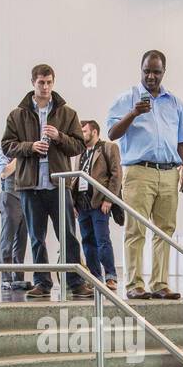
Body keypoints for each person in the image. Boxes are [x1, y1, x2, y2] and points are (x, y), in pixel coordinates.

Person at [106, 50, 183, 300]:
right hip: (138, 171)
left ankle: (160, 283)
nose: (151, 76)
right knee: (135, 229)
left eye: (156, 72)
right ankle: (134, 284)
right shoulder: (128, 98)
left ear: (163, 72)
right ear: (141, 69)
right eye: (147, 71)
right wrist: (133, 113)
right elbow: (112, 134)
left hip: (169, 172)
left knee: (165, 230)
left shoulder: (176, 103)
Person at [1, 64, 91, 301]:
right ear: (33, 82)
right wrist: (30, 147)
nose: (45, 86)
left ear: (54, 82)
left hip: (59, 185)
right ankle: (42, 282)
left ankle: (75, 281)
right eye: (41, 82)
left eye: (49, 82)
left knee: (69, 236)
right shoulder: (17, 114)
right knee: (36, 237)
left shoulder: (67, 113)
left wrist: (59, 137)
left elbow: (79, 146)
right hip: (30, 186)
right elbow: (7, 145)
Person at [72, 119, 122, 290]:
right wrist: (72, 202)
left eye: (84, 131)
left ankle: (110, 276)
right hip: (81, 203)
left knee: (102, 240)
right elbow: (75, 178)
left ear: (94, 132)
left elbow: (116, 175)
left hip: (100, 202)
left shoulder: (108, 148)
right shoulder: (80, 152)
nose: (81, 134)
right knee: (87, 241)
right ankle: (95, 277)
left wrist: (109, 198)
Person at [0, 146, 30, 293]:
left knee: (21, 242)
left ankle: (18, 278)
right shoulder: (1, 151)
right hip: (10, 196)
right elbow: (4, 172)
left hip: (26, 197)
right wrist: (20, 156)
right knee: (7, 241)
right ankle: (6, 278)